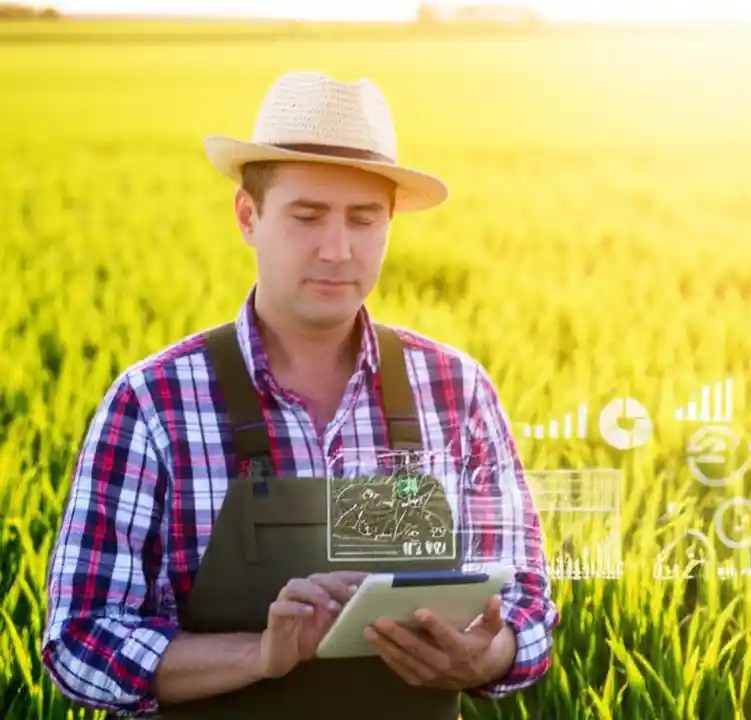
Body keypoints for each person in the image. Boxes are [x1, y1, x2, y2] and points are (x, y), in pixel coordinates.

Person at [40, 70, 558, 719]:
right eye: (307, 216)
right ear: (248, 216)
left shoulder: (456, 390)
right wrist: (260, 653)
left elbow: (528, 600)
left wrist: (484, 656)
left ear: (390, 223)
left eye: (363, 220)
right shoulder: (154, 402)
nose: (337, 250)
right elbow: (80, 640)